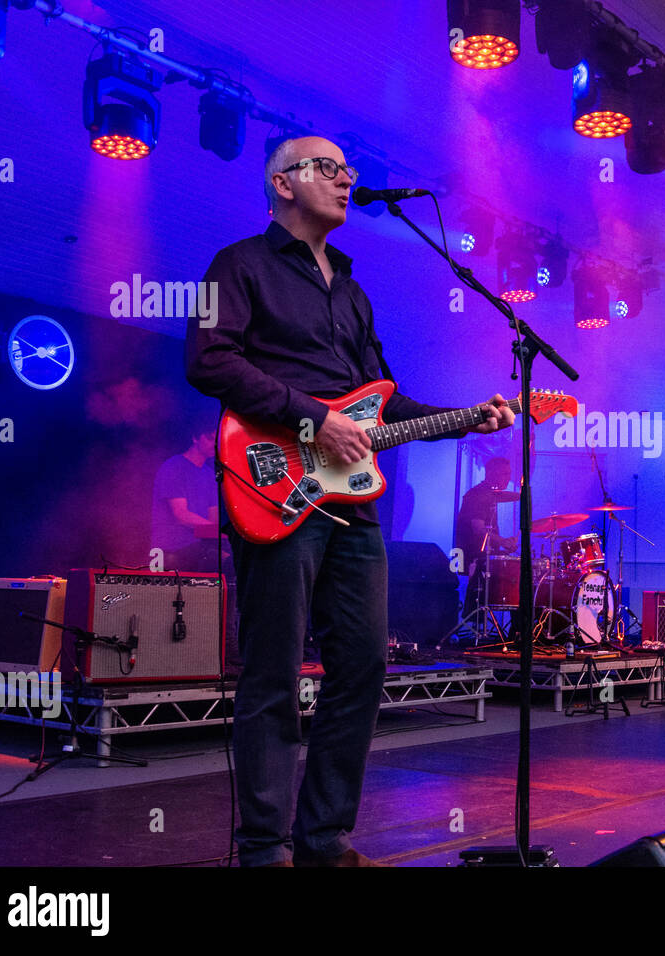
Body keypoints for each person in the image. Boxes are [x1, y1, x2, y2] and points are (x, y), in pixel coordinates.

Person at [186, 136, 513, 867]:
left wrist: (468, 416)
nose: (346, 179)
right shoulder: (234, 265)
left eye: (349, 169)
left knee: (362, 666)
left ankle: (325, 835)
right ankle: (263, 847)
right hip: (275, 486)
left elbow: (383, 406)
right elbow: (207, 359)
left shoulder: (355, 291)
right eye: (327, 168)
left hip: (354, 507)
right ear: (282, 184)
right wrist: (313, 420)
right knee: (273, 671)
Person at [151, 428, 220, 572]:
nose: (214, 444)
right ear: (195, 438)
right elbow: (181, 515)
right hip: (170, 549)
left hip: (198, 549)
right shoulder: (174, 466)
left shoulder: (210, 475)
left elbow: (214, 518)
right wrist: (219, 532)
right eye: (209, 438)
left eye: (217, 439)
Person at [454, 457, 517, 573]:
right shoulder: (478, 495)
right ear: (492, 474)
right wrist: (502, 541)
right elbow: (478, 529)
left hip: (483, 558)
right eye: (505, 474)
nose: (509, 478)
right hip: (473, 559)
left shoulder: (490, 494)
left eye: (509, 474)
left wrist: (503, 543)